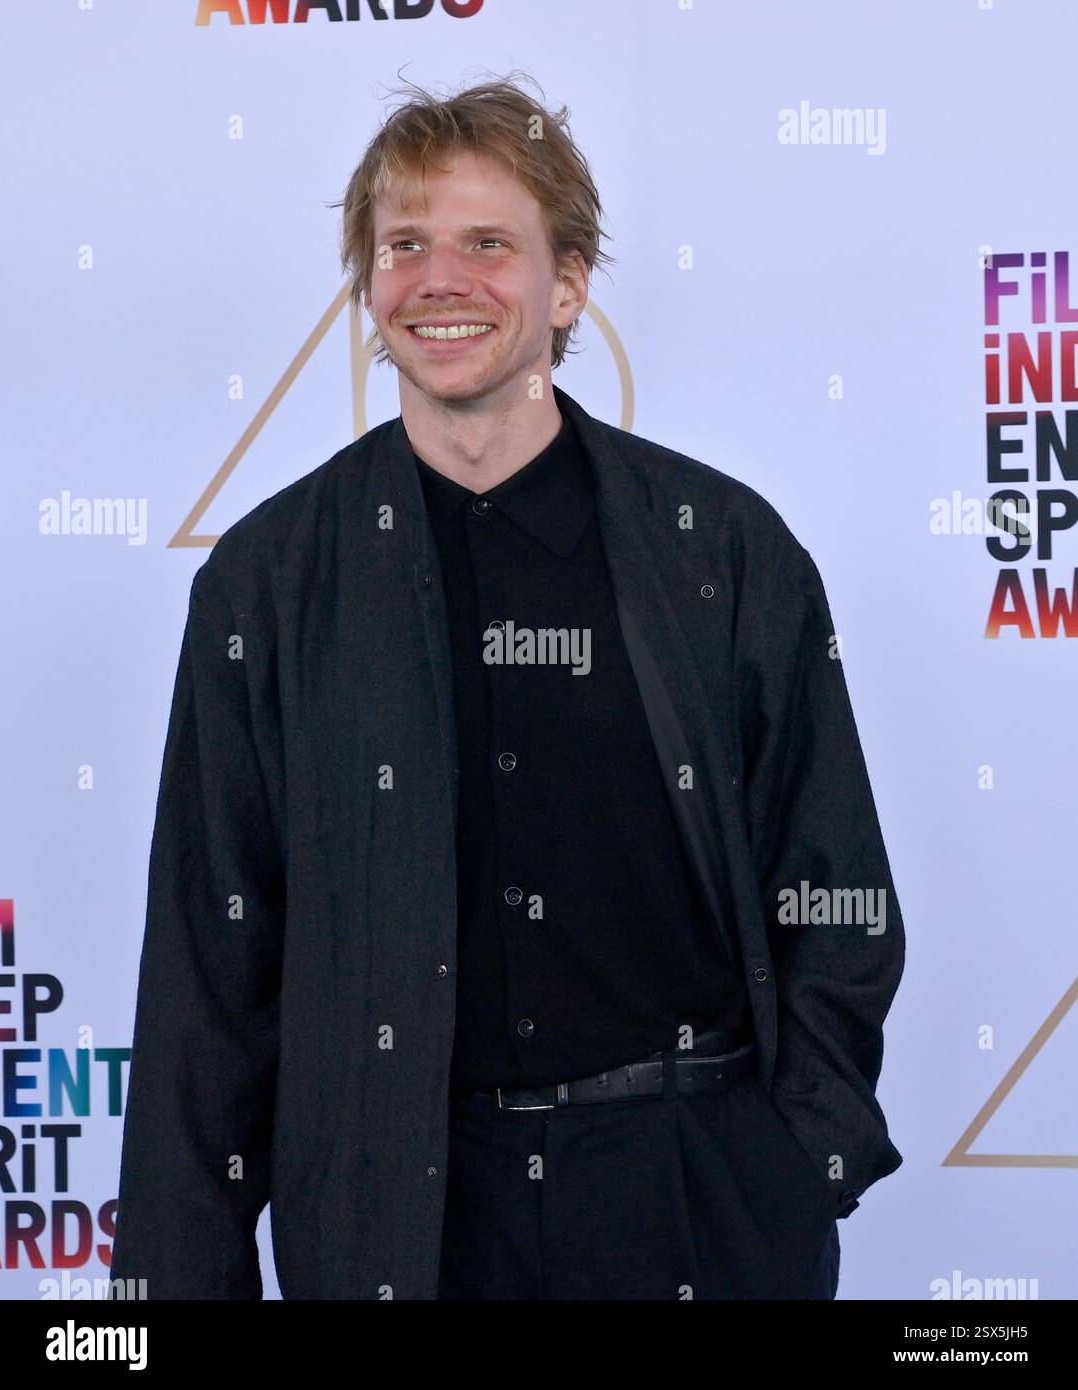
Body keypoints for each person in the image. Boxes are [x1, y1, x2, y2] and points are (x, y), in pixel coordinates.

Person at [109, 73, 904, 1301]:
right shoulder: (266, 584)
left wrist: (794, 1158)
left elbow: (834, 883)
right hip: (392, 1212)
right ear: (367, 287)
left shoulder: (720, 550)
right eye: (404, 246)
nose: (440, 280)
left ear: (567, 284)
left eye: (488, 243)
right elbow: (209, 973)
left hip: (689, 1200)